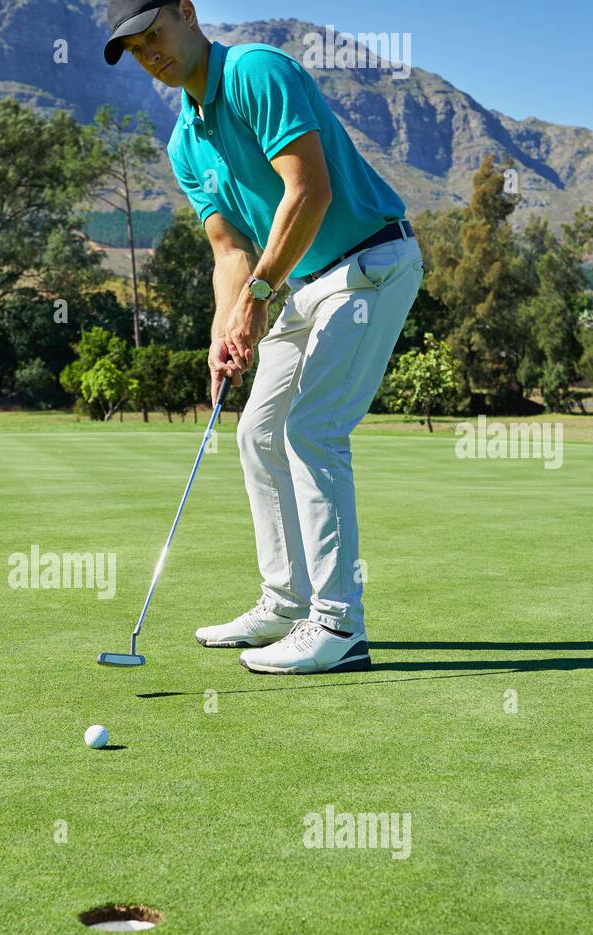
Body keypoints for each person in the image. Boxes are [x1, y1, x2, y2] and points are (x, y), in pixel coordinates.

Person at [104, 2, 424, 674]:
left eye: (153, 34)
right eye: (135, 49)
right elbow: (229, 254)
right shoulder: (184, 143)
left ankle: (338, 627)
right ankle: (284, 603)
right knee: (257, 432)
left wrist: (257, 300)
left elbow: (310, 192)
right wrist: (224, 333)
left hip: (369, 263)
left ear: (187, 12)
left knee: (312, 428)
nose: (150, 53)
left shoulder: (255, 71)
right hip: (303, 283)